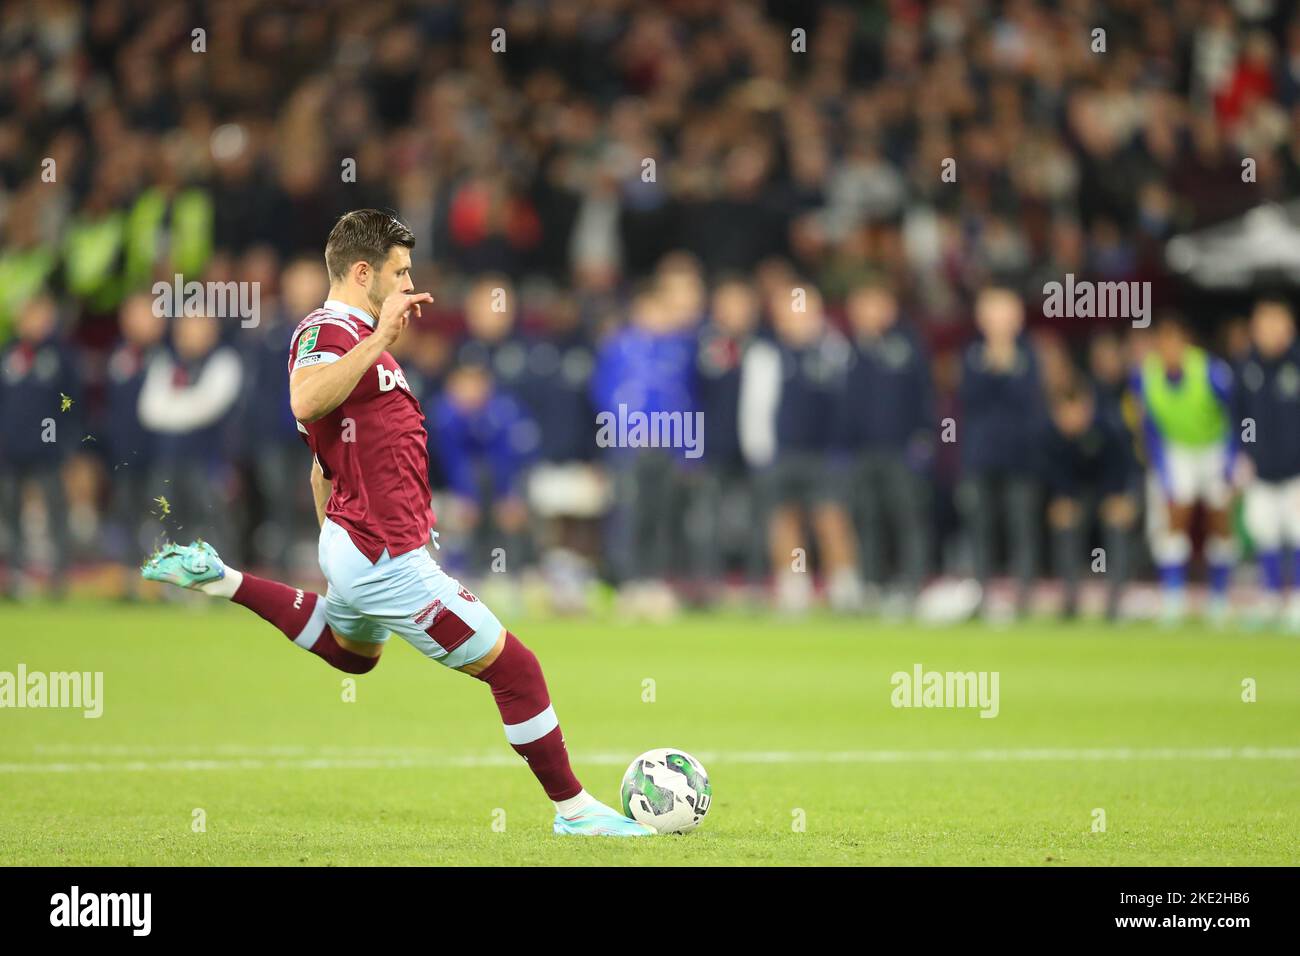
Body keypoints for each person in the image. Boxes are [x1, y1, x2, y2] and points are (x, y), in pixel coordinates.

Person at [142, 209, 651, 837]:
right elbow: (305, 399)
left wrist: (337, 543)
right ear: (363, 273)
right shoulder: (330, 330)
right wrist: (380, 338)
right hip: (383, 553)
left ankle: (224, 580)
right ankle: (574, 812)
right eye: (401, 272)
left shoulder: (353, 338)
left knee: (354, 655)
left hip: (357, 541)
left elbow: (323, 465)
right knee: (516, 669)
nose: (410, 286)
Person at [1132, 312, 1236, 624]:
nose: (1169, 349)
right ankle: (1173, 597)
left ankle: (1219, 598)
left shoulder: (1210, 370)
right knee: (1175, 518)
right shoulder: (1144, 376)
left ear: (1186, 342)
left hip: (1214, 447)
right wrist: (1159, 462)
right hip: (1176, 450)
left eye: (1175, 341)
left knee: (1219, 520)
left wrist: (1232, 457)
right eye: (1163, 342)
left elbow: (1237, 413)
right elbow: (1148, 424)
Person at [957, 287, 1047, 618]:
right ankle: (981, 592)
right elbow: (969, 397)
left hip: (1021, 456)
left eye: (1004, 313)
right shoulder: (971, 354)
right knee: (980, 525)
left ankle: (1023, 594)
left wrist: (1005, 365)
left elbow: (1028, 399)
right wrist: (993, 366)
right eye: (992, 313)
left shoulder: (1029, 354)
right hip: (981, 455)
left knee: (1021, 525)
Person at [1044, 378, 1138, 620]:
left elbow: (1125, 468)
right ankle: (1070, 600)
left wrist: (1122, 499)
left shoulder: (1110, 428)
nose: (1069, 418)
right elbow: (1055, 476)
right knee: (1064, 521)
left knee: (1116, 522)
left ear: (1087, 407)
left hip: (1110, 492)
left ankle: (1115, 601)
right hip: (1077, 496)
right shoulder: (1051, 436)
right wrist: (1062, 499)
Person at [1232, 297, 1300, 629]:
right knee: (1265, 534)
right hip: (1260, 470)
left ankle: (1298, 600)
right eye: (1263, 324)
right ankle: (1271, 597)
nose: (1269, 331)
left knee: (1298, 533)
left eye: (1275, 323)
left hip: (1296, 471)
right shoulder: (1246, 368)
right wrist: (1241, 454)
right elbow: (1238, 416)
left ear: (1289, 327)